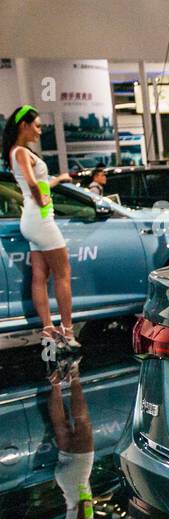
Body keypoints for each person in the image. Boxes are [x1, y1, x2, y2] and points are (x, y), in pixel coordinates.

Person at [2, 106, 79, 352]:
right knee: (63, 274)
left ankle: (48, 328)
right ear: (23, 125)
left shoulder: (16, 152)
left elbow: (40, 183)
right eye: (36, 125)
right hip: (41, 220)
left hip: (33, 220)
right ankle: (68, 331)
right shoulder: (22, 152)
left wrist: (58, 180)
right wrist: (41, 198)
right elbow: (34, 184)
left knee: (40, 276)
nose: (39, 130)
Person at [48, 361, 100, 519]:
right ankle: (56, 383)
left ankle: (75, 375)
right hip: (66, 482)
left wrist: (86, 505)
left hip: (77, 483)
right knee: (62, 428)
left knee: (83, 425)